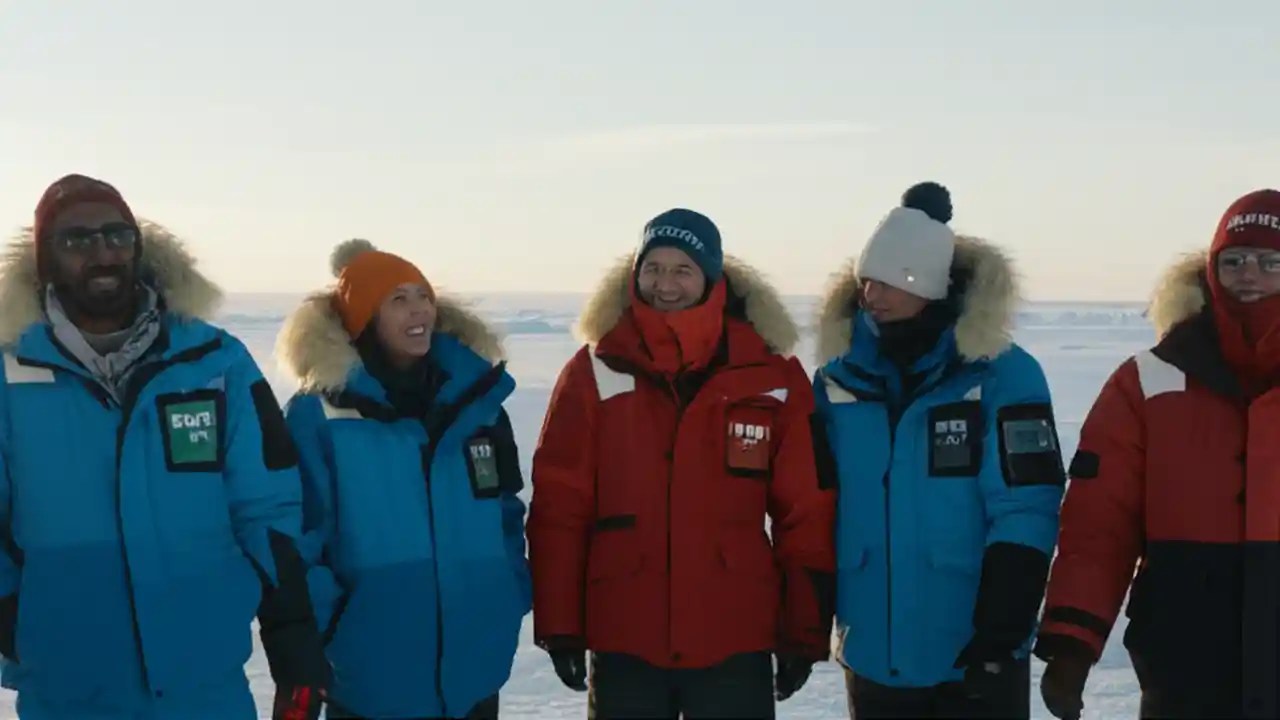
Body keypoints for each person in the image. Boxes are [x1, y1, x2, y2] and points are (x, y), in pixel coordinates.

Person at [0, 174, 330, 719]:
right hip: (68, 684)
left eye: (117, 235)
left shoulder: (214, 362)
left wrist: (291, 634)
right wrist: (18, 618)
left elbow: (268, 508)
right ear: (44, 260)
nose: (102, 252)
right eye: (77, 240)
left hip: (204, 682)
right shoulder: (10, 373)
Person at [527, 208, 836, 719]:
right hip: (625, 637)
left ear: (712, 278)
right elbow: (560, 505)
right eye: (653, 268)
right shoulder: (592, 372)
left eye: (682, 270)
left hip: (733, 637)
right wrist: (559, 622)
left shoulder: (770, 375)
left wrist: (803, 630)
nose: (664, 285)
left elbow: (805, 511)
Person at [812, 182, 1066, 719]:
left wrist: (1000, 634)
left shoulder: (1002, 374)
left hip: (971, 653)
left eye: (890, 282)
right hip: (873, 653)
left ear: (930, 285)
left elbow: (1026, 507)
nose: (871, 296)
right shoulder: (838, 380)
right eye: (865, 281)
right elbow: (814, 504)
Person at [1036, 188, 1280, 720]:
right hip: (1185, 670)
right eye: (1233, 260)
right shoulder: (1149, 381)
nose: (1249, 274)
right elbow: (1100, 524)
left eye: (1270, 262)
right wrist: (1074, 640)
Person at [276, 239, 530, 720]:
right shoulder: (320, 416)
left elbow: (504, 510)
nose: (419, 310)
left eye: (423, 296)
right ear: (364, 319)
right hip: (371, 677)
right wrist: (338, 628)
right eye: (397, 300)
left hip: (474, 668)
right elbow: (298, 540)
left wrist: (506, 592)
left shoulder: (477, 405)